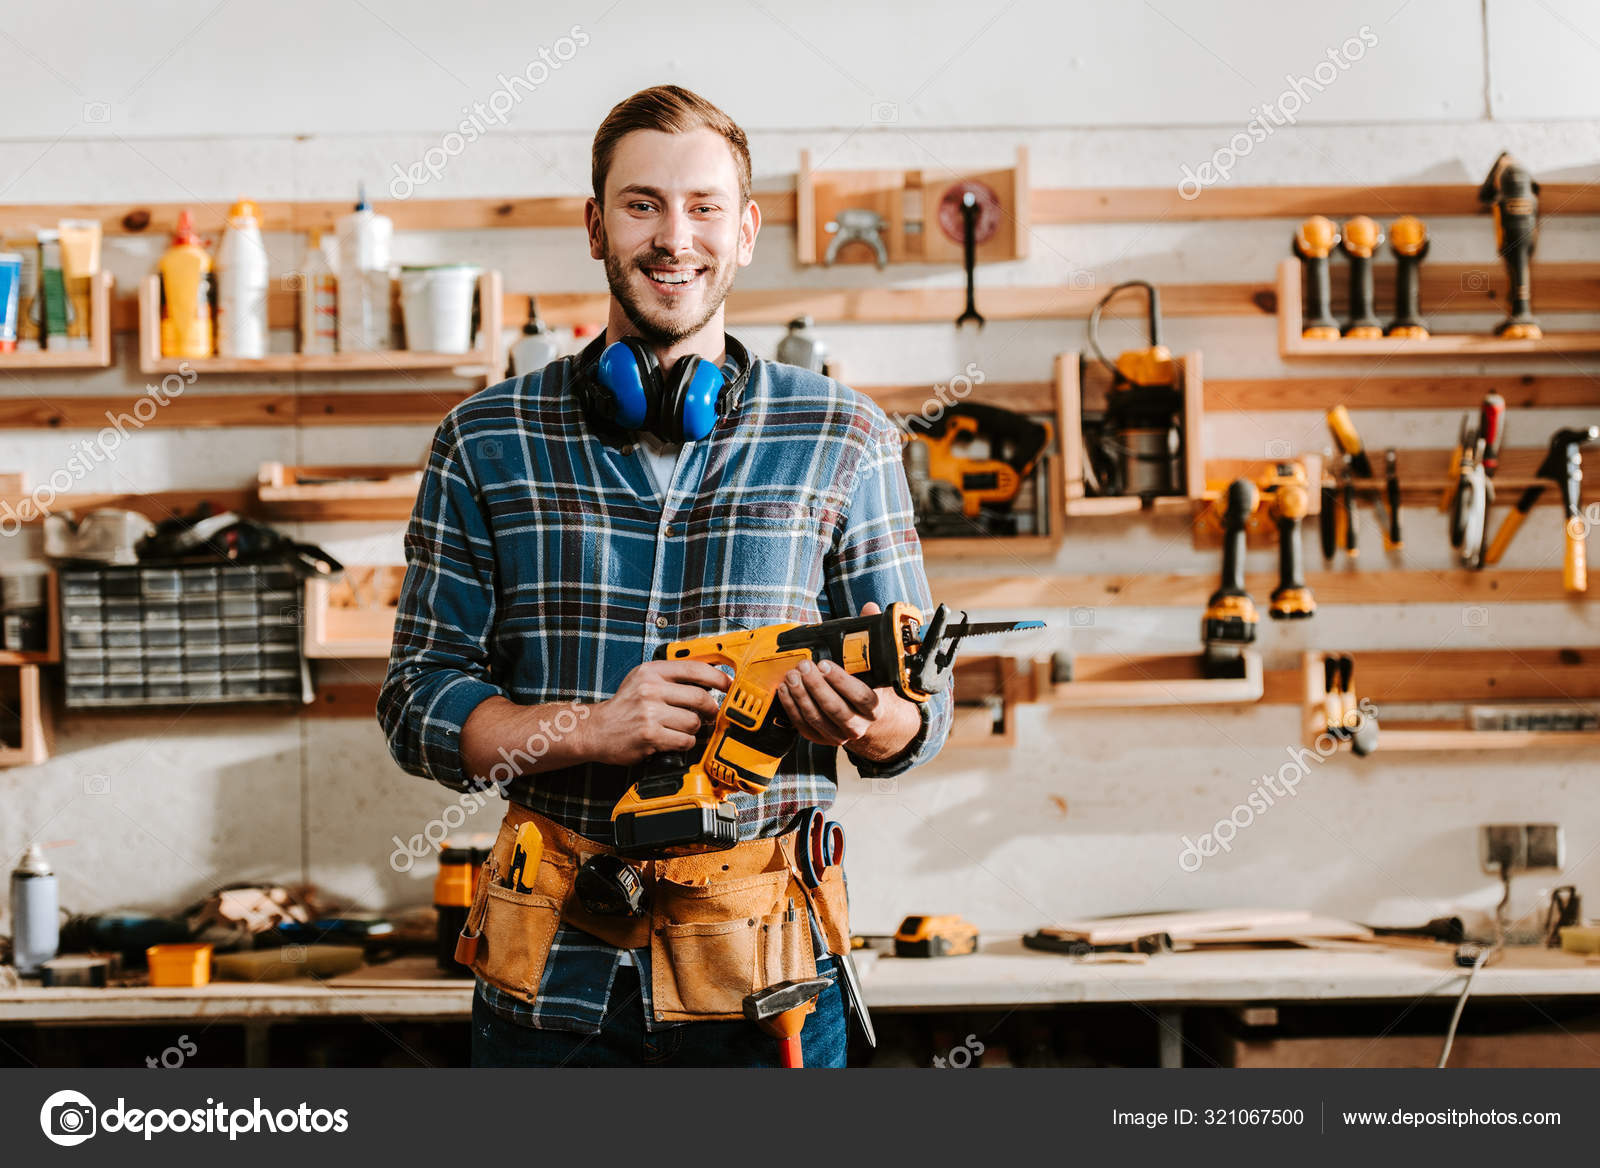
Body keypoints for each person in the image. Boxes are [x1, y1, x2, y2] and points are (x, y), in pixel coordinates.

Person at [379, 84, 951, 1067]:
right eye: (642, 204)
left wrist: (867, 717)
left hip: (763, 971)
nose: (672, 236)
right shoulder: (486, 438)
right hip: (550, 976)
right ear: (596, 225)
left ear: (746, 231)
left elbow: (921, 712)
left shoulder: (843, 435)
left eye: (703, 207)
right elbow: (417, 705)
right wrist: (589, 727)